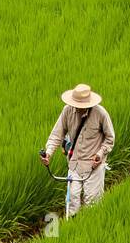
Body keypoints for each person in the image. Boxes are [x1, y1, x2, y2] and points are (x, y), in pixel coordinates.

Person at [40, 83, 115, 218]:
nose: (79, 109)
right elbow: (57, 135)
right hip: (74, 165)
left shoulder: (100, 113)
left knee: (92, 204)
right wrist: (49, 153)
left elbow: (110, 138)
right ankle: (71, 229)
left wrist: (100, 154)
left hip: (94, 166)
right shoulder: (67, 111)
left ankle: (91, 231)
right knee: (71, 202)